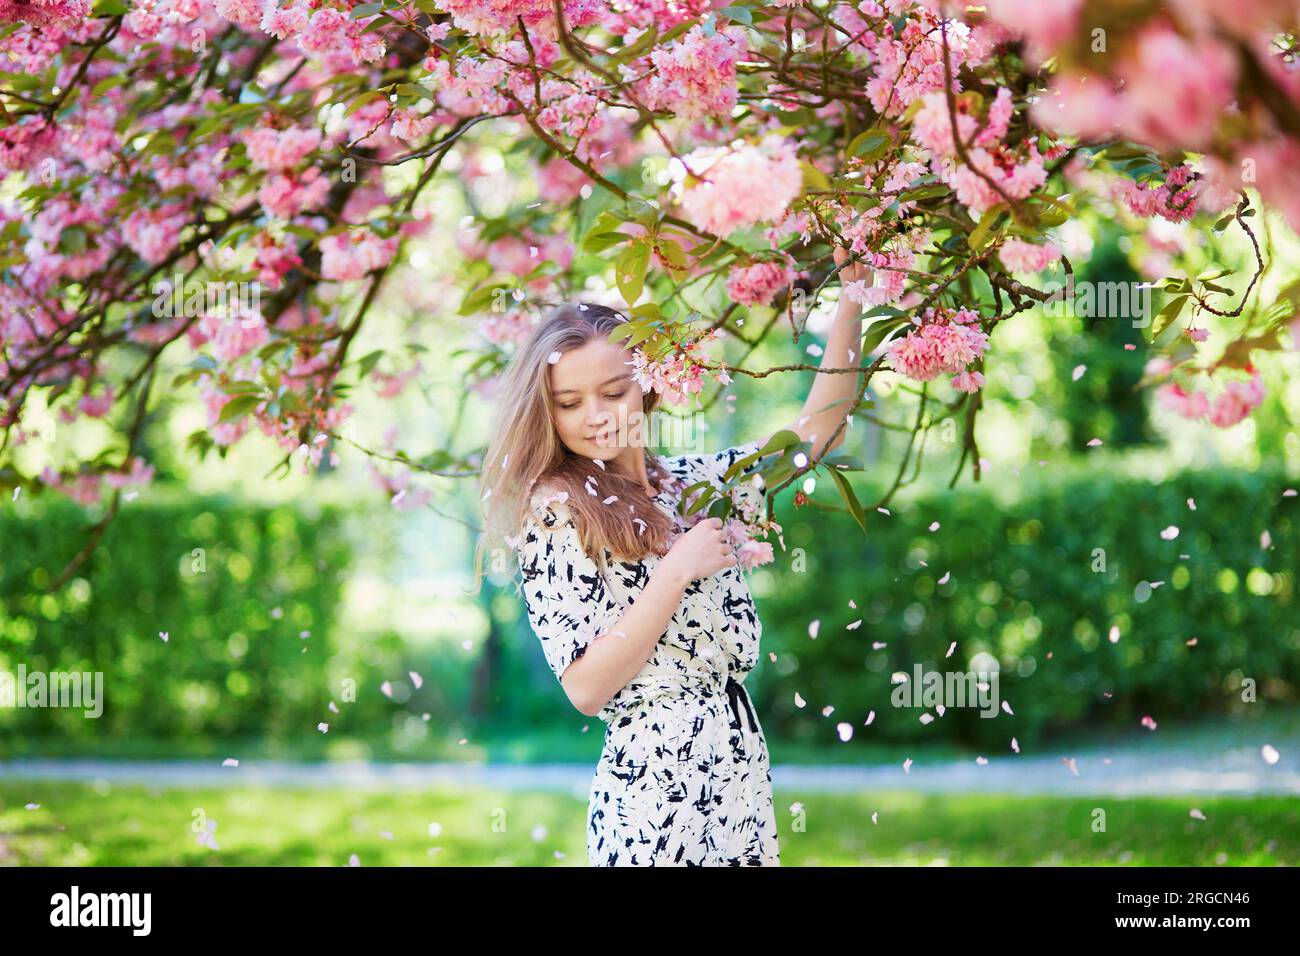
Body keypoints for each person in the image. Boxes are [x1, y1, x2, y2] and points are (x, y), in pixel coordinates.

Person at [474, 251, 869, 865]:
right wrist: (677, 569)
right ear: (545, 410)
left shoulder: (698, 485)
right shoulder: (557, 512)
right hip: (656, 789)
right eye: (569, 402)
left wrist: (853, 293)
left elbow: (816, 434)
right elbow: (585, 687)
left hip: (736, 769)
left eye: (613, 391)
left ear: (647, 385)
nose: (597, 416)